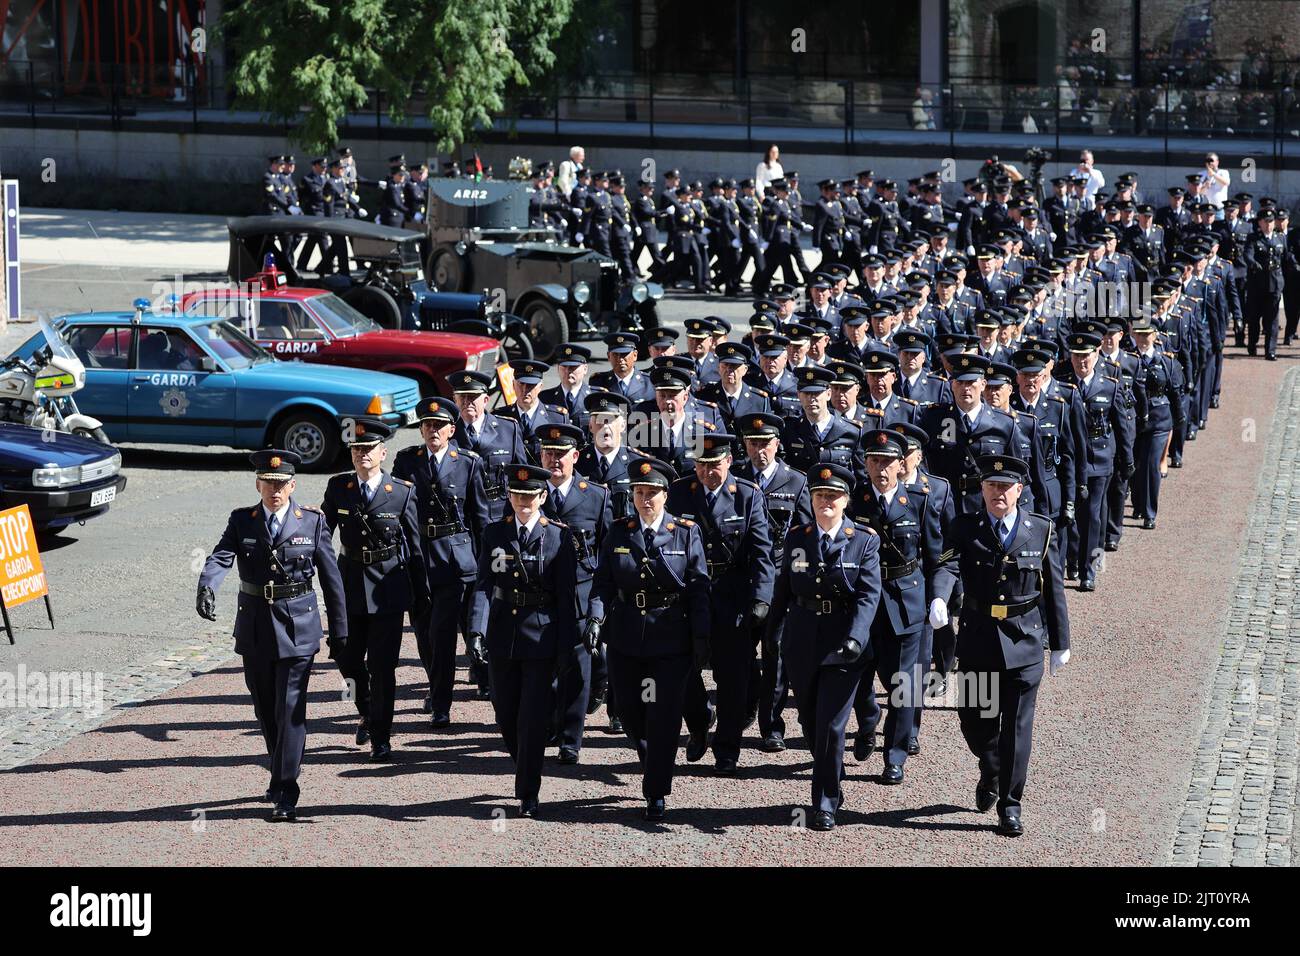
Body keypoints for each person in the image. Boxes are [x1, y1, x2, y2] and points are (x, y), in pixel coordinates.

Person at [197, 449, 347, 822]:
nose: (275, 490)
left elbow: (331, 579)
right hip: (256, 627)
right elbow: (221, 555)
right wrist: (207, 583)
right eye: (269, 483)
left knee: (290, 709)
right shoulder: (242, 520)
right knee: (265, 708)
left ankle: (285, 789)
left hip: (299, 626)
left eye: (282, 484)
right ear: (258, 484)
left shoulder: (311, 521)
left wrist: (341, 631)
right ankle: (278, 765)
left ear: (292, 485)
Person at [950, 454, 1070, 837]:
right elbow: (947, 567)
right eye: (991, 485)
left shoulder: (1040, 529)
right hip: (977, 638)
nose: (998, 492)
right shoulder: (964, 527)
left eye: (1005, 487)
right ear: (982, 489)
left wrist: (1061, 642)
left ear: (1020, 490)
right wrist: (939, 599)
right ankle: (991, 768)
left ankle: (1011, 804)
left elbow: (1053, 589)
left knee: (1017, 729)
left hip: (1024, 640)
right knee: (974, 721)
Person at [587, 456, 711, 822]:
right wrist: (595, 618)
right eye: (639, 492)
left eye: (651, 493)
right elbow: (603, 583)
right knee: (630, 712)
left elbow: (699, 589)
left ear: (664, 494)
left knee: (663, 717)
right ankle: (654, 758)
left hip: (671, 640)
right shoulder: (619, 531)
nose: (644, 499)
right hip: (626, 636)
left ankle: (656, 790)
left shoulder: (686, 532)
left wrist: (701, 636)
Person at [765, 463, 881, 832]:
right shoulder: (798, 536)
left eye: (832, 496)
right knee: (811, 722)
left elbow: (868, 595)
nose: (825, 502)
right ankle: (831, 768)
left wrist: (856, 637)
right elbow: (783, 587)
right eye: (819, 496)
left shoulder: (863, 540)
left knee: (832, 726)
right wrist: (772, 631)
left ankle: (825, 802)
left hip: (843, 639)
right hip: (802, 637)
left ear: (845, 500)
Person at [469, 464, 580, 817]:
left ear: (542, 497)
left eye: (530, 496)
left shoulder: (560, 537)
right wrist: (476, 629)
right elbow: (484, 585)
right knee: (505, 711)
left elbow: (566, 597)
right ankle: (525, 763)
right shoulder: (494, 534)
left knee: (531, 717)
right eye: (517, 495)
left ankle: (527, 790)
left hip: (541, 634)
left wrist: (566, 646)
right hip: (503, 634)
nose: (523, 502)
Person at [320, 420, 429, 761]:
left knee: (383, 667)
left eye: (369, 450)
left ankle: (382, 736)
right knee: (346, 658)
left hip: (388, 589)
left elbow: (414, 547)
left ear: (383, 453)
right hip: (349, 584)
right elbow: (322, 534)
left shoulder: (401, 492)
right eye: (356, 449)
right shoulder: (339, 487)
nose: (362, 455)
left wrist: (420, 593)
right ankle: (365, 709)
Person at [849, 430, 954, 781]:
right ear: (866, 464)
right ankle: (867, 721)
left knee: (905, 683)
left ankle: (894, 755)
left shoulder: (918, 501)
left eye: (888, 462)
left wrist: (939, 595)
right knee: (858, 676)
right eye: (875, 461)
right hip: (863, 599)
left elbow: (937, 558)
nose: (881, 469)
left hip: (907, 598)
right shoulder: (853, 500)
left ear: (901, 465)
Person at [669, 432, 774, 775]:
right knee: (682, 671)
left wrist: (761, 598)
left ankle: (727, 750)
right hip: (690, 596)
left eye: (713, 465)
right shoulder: (680, 492)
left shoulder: (746, 495)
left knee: (733, 679)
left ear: (728, 461)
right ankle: (699, 722)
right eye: (700, 465)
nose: (707, 472)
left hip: (732, 596)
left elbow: (761, 553)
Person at [390, 397, 490, 727]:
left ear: (451, 430)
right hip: (418, 557)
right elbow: (393, 507)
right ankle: (437, 692)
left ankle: (445, 702)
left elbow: (480, 518)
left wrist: (484, 559)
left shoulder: (467, 463)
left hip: (455, 558)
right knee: (424, 631)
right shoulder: (407, 462)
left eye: (438, 426)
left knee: (446, 631)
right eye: (427, 426)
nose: (432, 431)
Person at [539, 423, 612, 762]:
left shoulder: (596, 496)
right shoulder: (531, 494)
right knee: (544, 666)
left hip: (581, 596)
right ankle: (549, 724)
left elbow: (608, 550)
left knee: (578, 670)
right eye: (548, 453)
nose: (554, 460)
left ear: (575, 456)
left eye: (561, 455)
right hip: (540, 594)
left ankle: (571, 739)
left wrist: (601, 602)